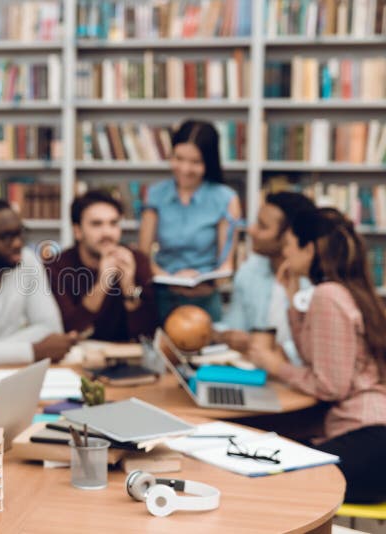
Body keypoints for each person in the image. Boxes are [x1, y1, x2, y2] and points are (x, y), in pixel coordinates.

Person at [248, 207, 386, 504]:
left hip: (368, 437)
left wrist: (275, 365)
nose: (284, 253)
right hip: (373, 437)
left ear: (308, 249)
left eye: (288, 245)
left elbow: (330, 386)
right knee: (266, 452)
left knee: (260, 472)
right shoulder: (349, 291)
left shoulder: (328, 295)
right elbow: (317, 357)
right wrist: (291, 294)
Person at [139, 120, 242, 322]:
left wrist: (205, 282)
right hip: (162, 298)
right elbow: (143, 256)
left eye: (195, 162)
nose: (185, 169)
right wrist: (171, 279)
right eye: (178, 158)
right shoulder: (155, 195)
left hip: (205, 301)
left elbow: (226, 265)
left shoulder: (226, 199)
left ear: (209, 162)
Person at [0, 198, 76, 365]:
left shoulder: (27, 260)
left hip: (16, 369)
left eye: (19, 233)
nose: (17, 243)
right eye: (5, 236)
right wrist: (33, 351)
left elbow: (51, 329)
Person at [215, 191, 315, 365]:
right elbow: (235, 324)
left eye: (262, 226)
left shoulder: (316, 283)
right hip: (256, 374)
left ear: (289, 235)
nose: (251, 230)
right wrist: (220, 335)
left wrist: (270, 350)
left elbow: (315, 351)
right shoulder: (249, 270)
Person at [45, 190, 158, 342]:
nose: (107, 233)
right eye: (96, 224)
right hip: (77, 356)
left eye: (113, 223)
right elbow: (68, 329)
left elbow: (148, 334)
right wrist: (102, 284)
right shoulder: (57, 266)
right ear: (78, 231)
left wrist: (128, 286)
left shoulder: (136, 260)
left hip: (126, 357)